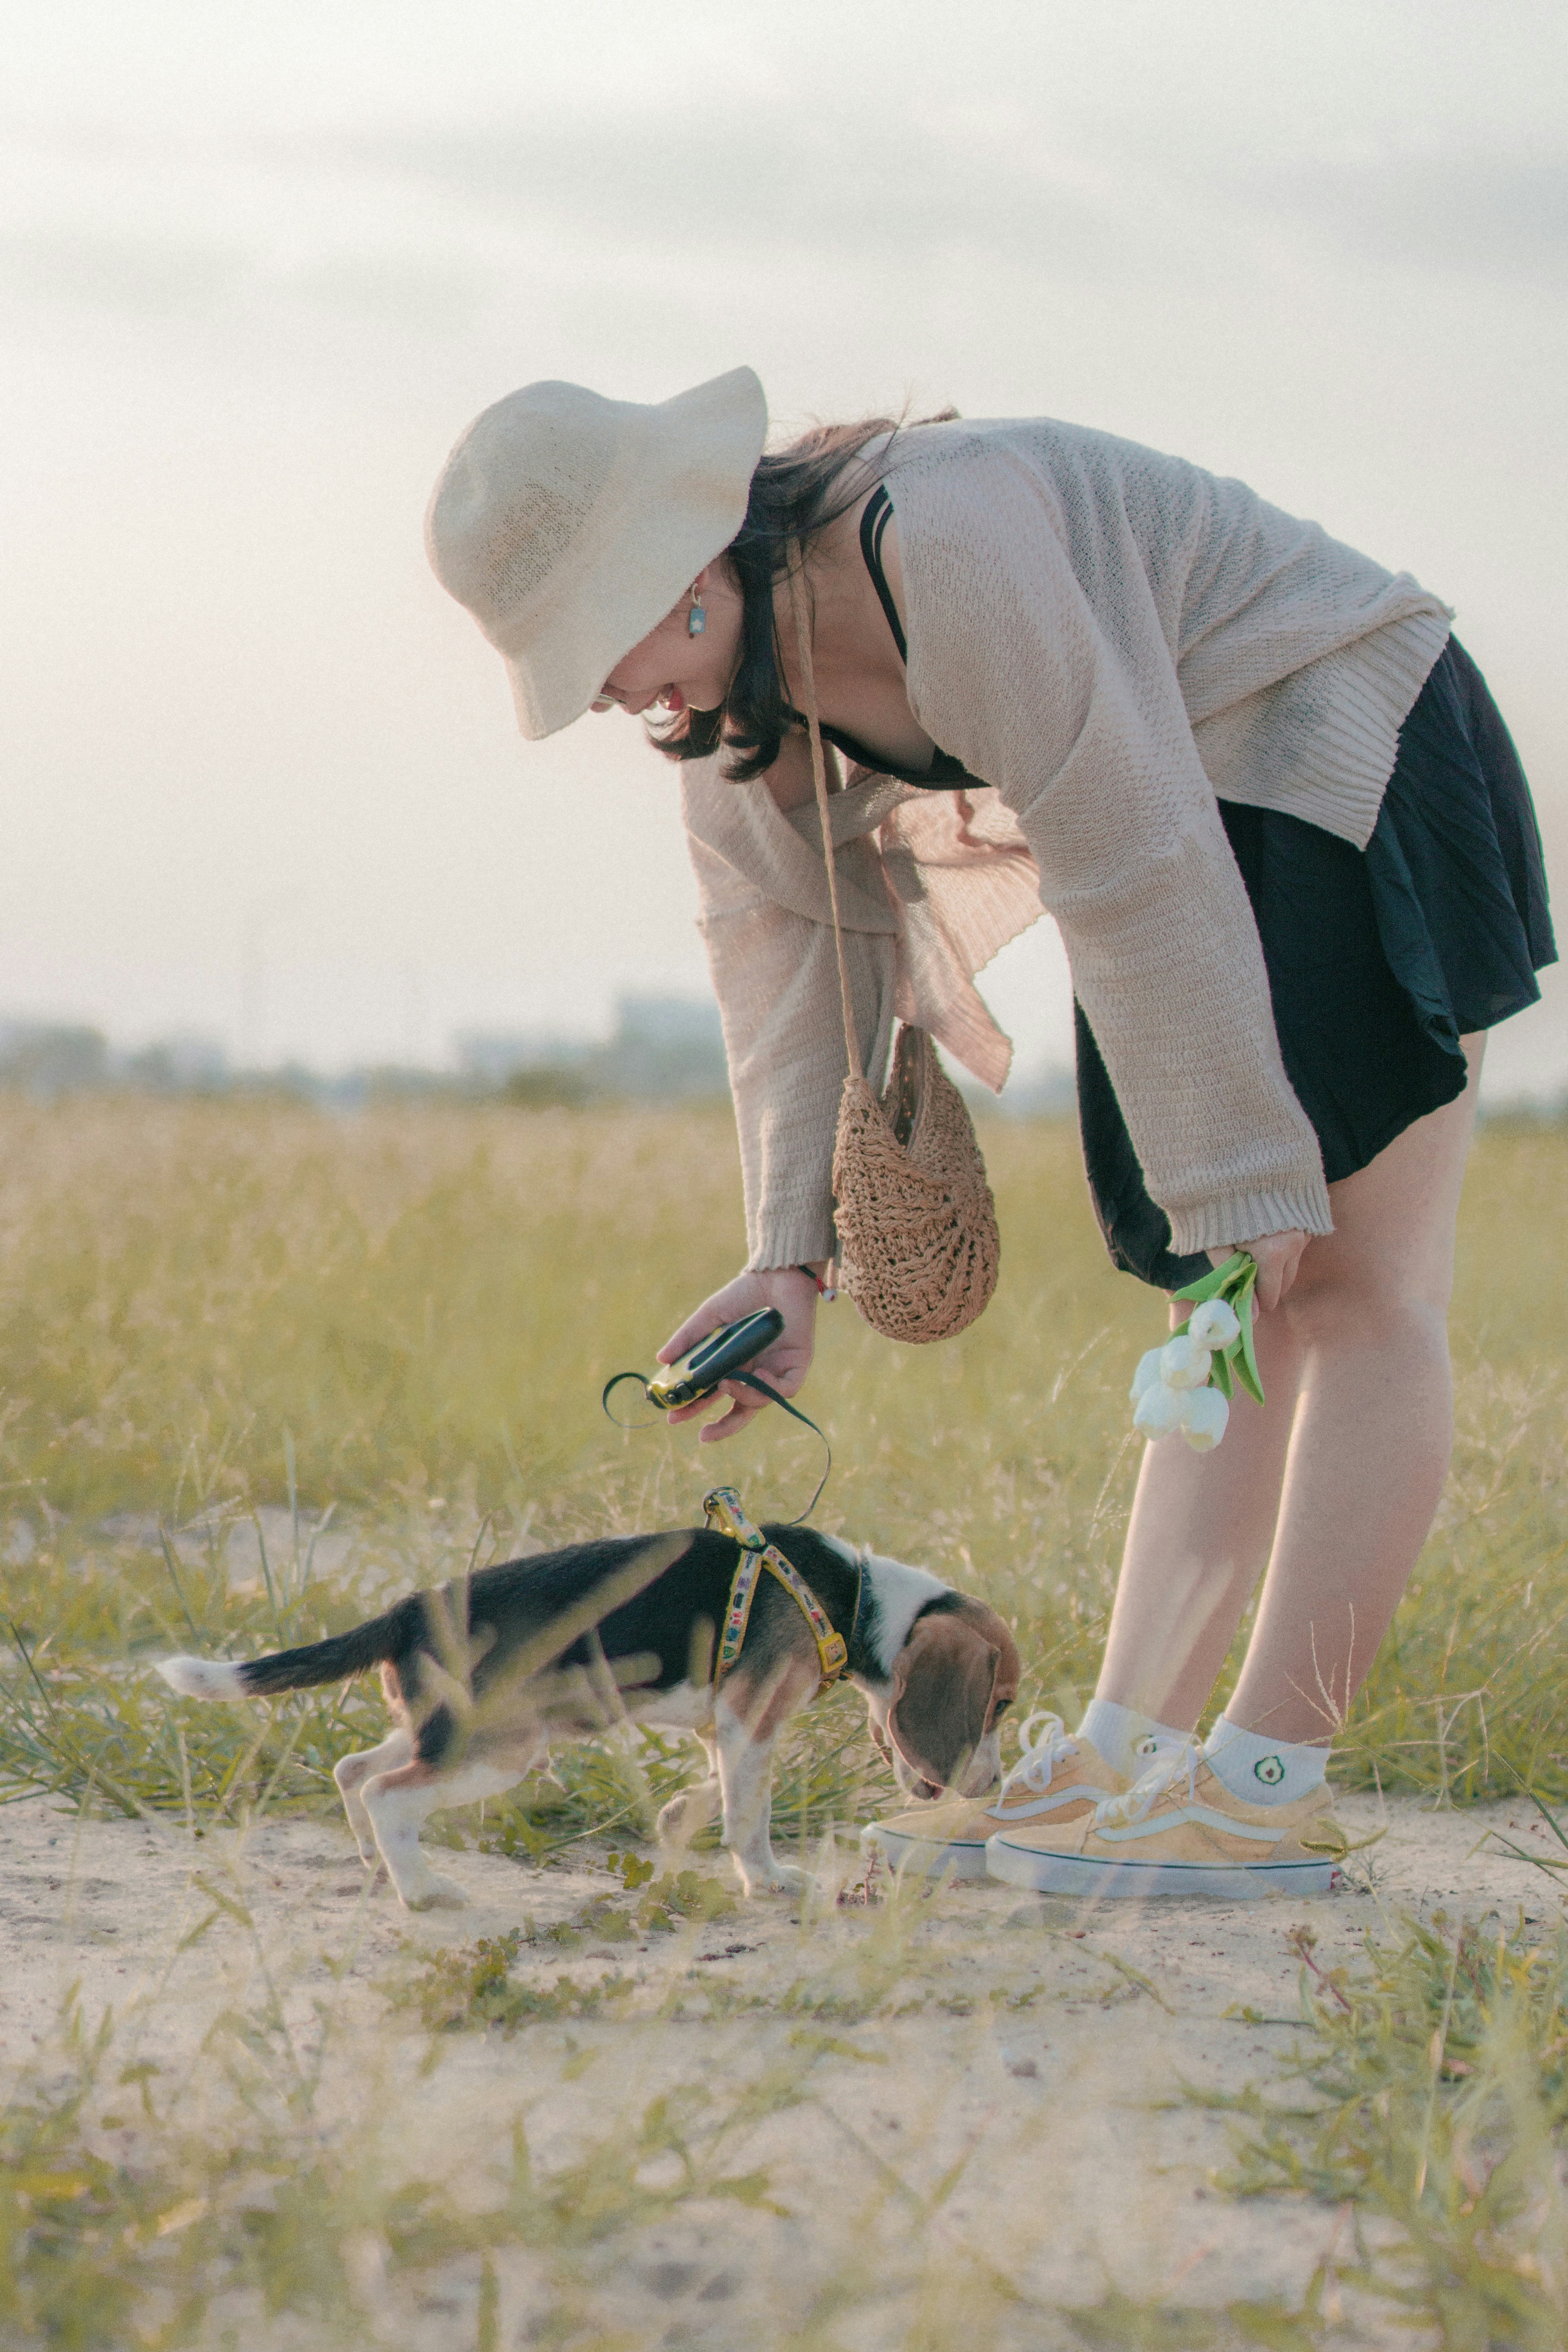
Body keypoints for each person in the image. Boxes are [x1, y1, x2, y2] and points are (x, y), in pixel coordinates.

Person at [426, 366, 1555, 1896]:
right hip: (1187, 828)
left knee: (1349, 1287)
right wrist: (786, 1266)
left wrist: (1235, 1168)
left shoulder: (939, 540)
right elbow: (774, 964)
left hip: (1340, 736)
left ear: (677, 569)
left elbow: (1130, 846)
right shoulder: (736, 713)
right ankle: (1129, 1754)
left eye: (593, 648)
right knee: (1221, 1301)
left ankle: (1264, 1787)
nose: (608, 697)